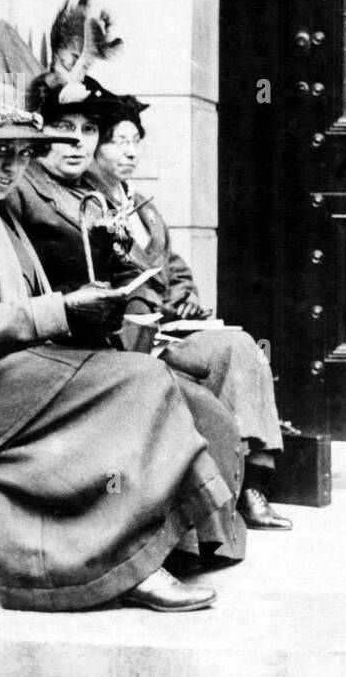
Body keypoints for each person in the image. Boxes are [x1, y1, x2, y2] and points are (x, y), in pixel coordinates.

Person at [0, 81, 234, 612]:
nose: (12, 167)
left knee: (138, 375)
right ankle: (119, 565)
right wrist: (64, 310)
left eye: (22, 153)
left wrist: (92, 305)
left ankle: (158, 547)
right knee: (135, 383)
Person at [5, 0, 249, 560]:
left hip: (113, 335)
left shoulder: (84, 194)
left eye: (87, 132)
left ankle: (192, 542)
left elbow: (145, 264)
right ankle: (153, 548)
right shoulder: (22, 191)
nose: (74, 142)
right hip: (58, 345)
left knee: (207, 400)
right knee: (174, 398)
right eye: (61, 130)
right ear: (36, 134)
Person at [84, 87, 293, 530]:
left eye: (135, 141)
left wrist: (186, 296)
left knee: (241, 347)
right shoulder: (88, 207)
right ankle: (225, 491)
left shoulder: (141, 206)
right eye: (118, 142)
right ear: (94, 145)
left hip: (167, 330)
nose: (130, 152)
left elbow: (172, 265)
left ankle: (254, 481)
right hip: (128, 344)